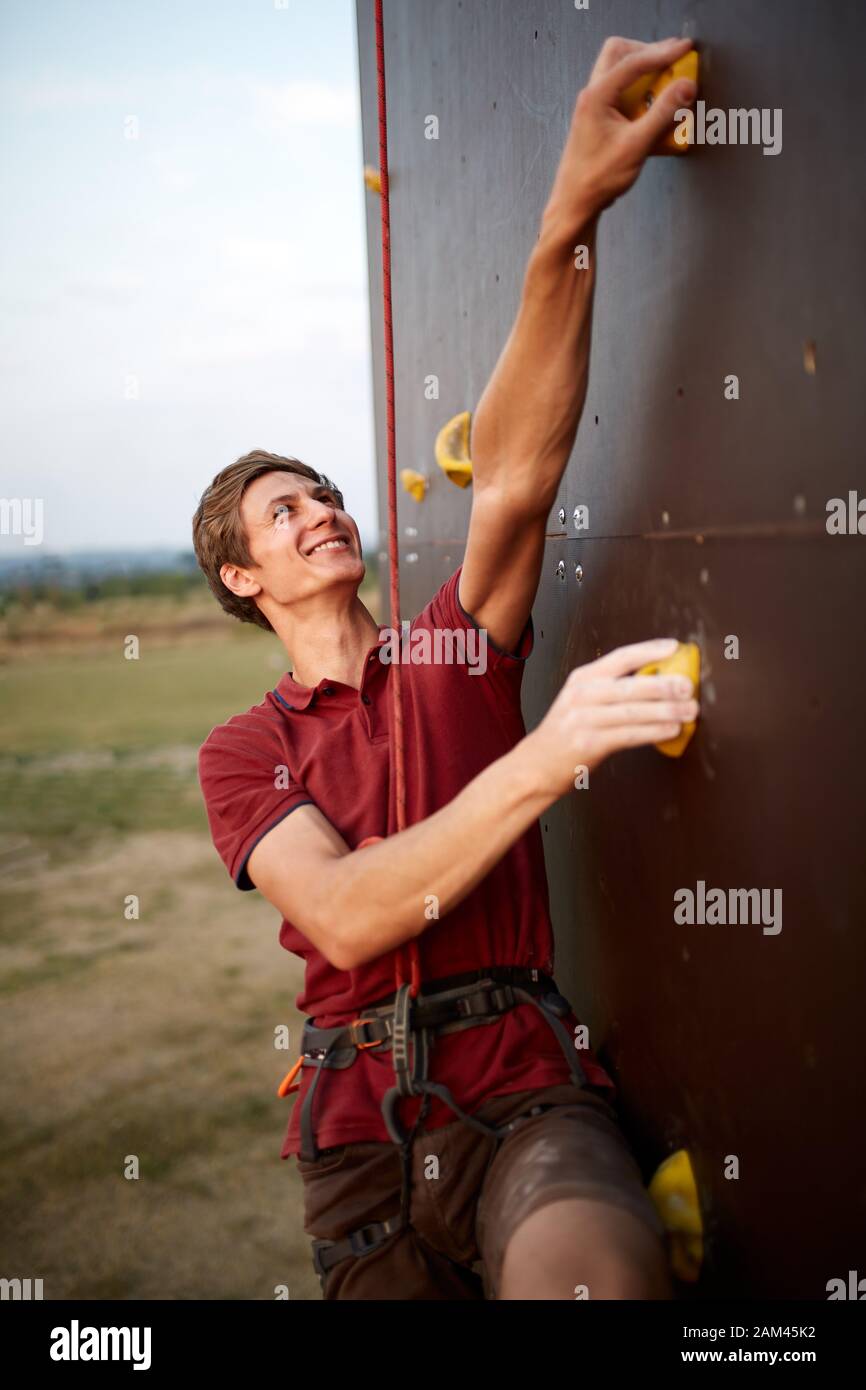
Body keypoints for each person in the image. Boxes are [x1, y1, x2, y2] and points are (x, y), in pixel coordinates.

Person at [193, 35, 699, 1300]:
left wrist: (572, 211)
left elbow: (519, 471)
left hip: (524, 1083)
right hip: (358, 1138)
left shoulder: (449, 648)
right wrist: (547, 752)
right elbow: (355, 913)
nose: (317, 509)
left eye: (319, 490)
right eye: (278, 512)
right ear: (242, 580)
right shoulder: (245, 749)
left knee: (596, 1281)